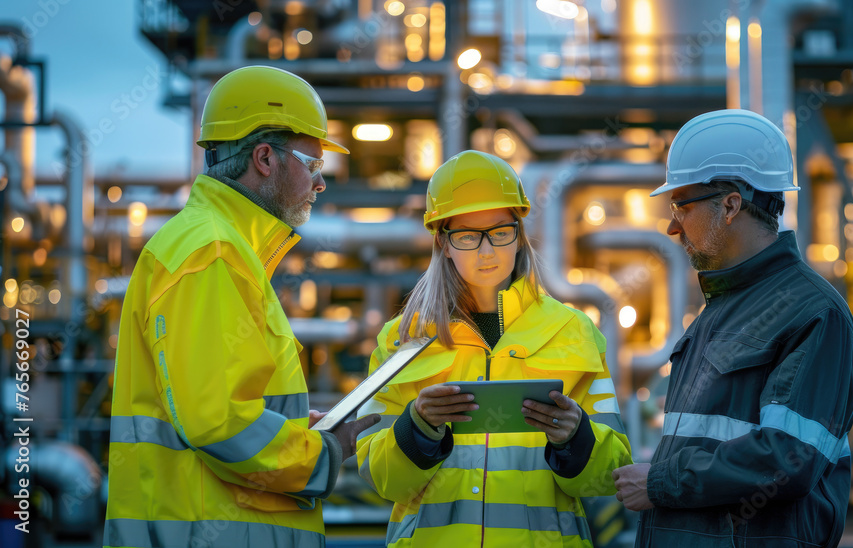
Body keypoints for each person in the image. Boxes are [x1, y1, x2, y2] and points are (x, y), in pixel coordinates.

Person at [103, 66, 379, 548]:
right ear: (265, 158)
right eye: (314, 166)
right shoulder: (212, 255)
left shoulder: (219, 248)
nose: (320, 184)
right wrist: (320, 452)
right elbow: (218, 420)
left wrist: (291, 429)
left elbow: (222, 404)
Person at [612, 109, 853, 548]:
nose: (672, 226)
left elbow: (789, 458)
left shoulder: (815, 313)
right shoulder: (723, 306)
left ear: (730, 205)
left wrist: (659, 483)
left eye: (681, 205)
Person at [354, 150, 633, 547]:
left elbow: (610, 475)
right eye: (467, 236)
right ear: (442, 242)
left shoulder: (573, 331)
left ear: (519, 236)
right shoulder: (401, 341)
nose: (486, 251)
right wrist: (418, 427)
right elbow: (380, 478)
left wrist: (575, 437)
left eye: (500, 232)